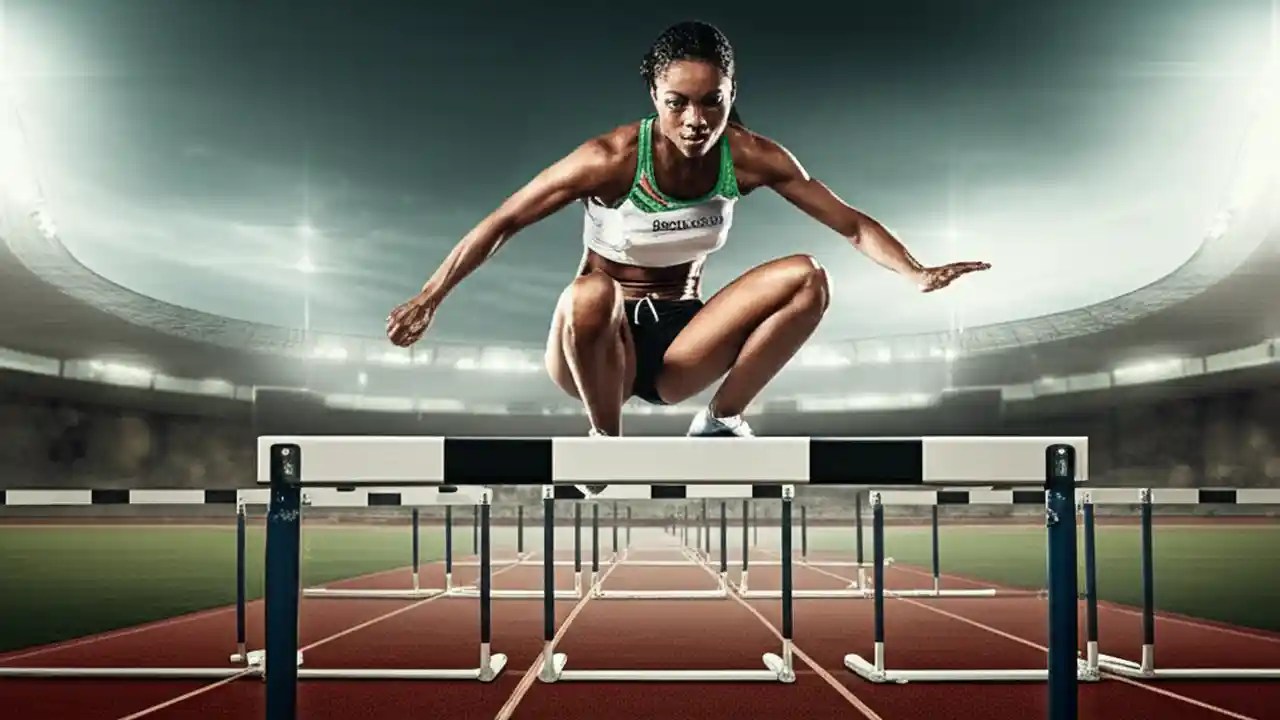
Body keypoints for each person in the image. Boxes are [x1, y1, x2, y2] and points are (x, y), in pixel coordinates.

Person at [388, 20, 989, 443]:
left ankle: (721, 421)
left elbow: (852, 224)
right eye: (678, 103)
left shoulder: (749, 157)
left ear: (731, 95)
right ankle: (604, 439)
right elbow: (504, 220)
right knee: (591, 292)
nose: (696, 120)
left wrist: (915, 272)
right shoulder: (611, 159)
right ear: (654, 95)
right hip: (596, 346)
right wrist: (430, 295)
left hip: (682, 345)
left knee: (808, 277)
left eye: (712, 102)